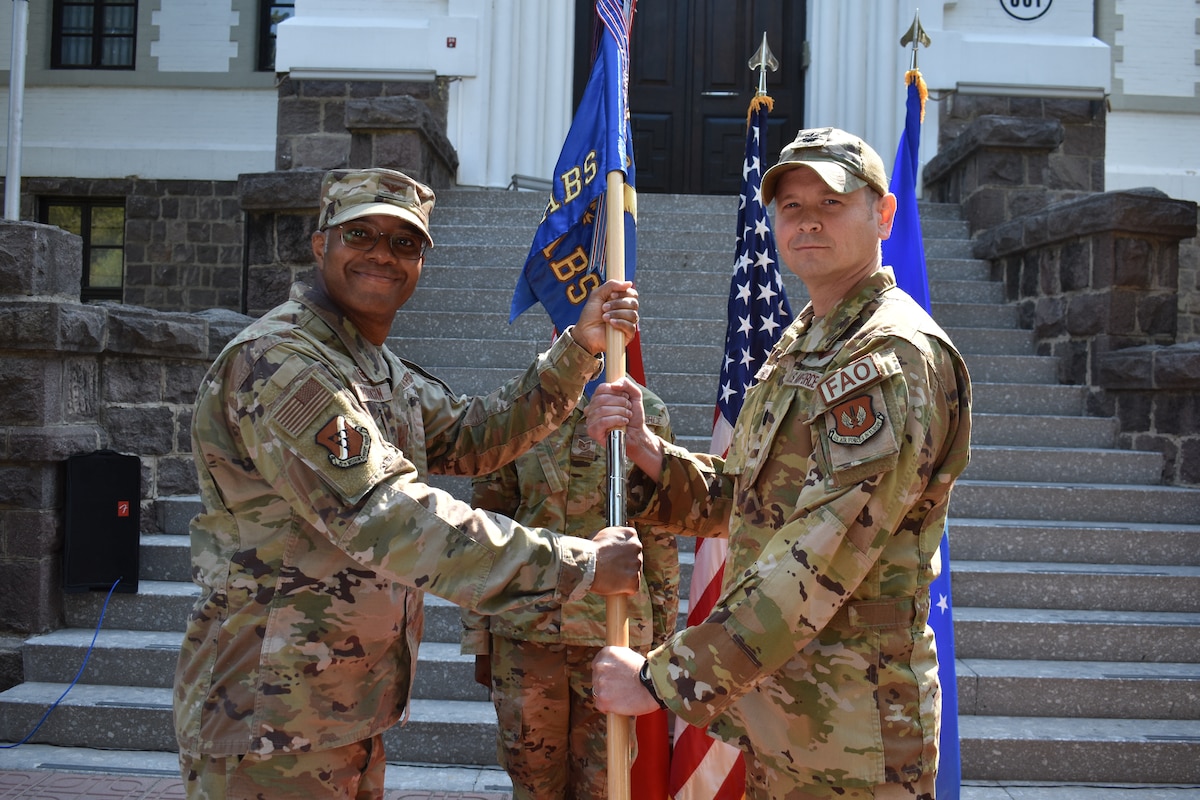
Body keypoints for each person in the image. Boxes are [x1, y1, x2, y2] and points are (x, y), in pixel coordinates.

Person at [173, 167, 645, 799]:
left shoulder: (372, 368)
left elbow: (475, 436)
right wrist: (577, 566)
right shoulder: (283, 363)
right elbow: (390, 515)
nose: (381, 254)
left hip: (339, 705)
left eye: (404, 242)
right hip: (269, 714)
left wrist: (579, 348)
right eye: (359, 234)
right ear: (321, 245)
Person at [586, 128, 973, 800]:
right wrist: (650, 457)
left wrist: (663, 680)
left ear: (882, 215)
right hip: (789, 718)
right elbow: (752, 498)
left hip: (852, 736)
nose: (808, 221)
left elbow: (818, 560)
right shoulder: (810, 339)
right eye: (791, 207)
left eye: (831, 200)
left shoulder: (889, 358)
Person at [461, 381, 680, 800]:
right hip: (525, 634)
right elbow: (485, 528)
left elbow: (658, 535)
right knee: (531, 781)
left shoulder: (645, 413)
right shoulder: (518, 406)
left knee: (605, 784)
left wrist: (662, 646)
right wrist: (479, 638)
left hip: (611, 637)